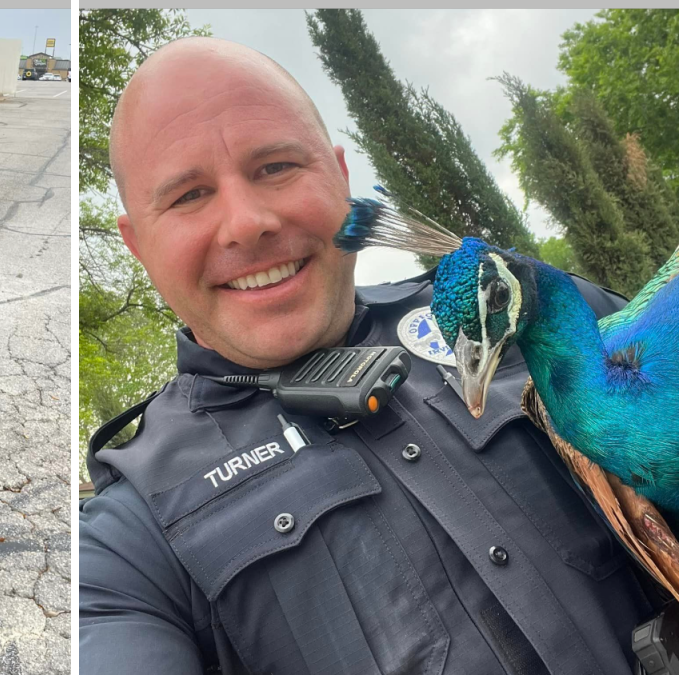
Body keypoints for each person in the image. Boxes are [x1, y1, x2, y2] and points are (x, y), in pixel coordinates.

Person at [79, 37, 663, 675]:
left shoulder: (533, 316)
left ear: (340, 178)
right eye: (188, 195)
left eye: (276, 166)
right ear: (138, 243)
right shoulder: (128, 542)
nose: (247, 222)